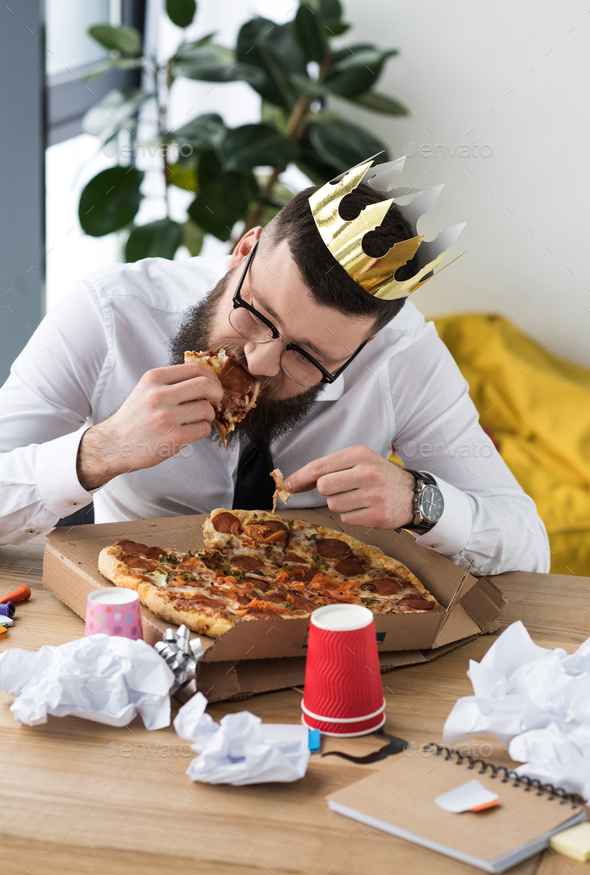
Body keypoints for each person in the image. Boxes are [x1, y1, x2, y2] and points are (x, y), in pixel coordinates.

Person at [0, 157, 549, 576]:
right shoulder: (108, 313)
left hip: (320, 610)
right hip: (136, 604)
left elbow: (531, 549)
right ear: (243, 251)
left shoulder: (404, 356)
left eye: (308, 357)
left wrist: (418, 499)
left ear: (368, 344)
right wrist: (101, 450)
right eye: (255, 313)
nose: (261, 362)